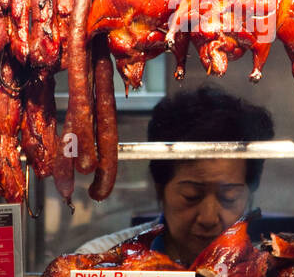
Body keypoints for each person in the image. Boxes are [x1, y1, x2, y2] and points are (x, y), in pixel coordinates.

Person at [79, 85, 275, 267]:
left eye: (229, 197)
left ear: (250, 193)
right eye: (191, 196)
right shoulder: (96, 261)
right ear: (159, 188)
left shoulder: (268, 269)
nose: (208, 218)